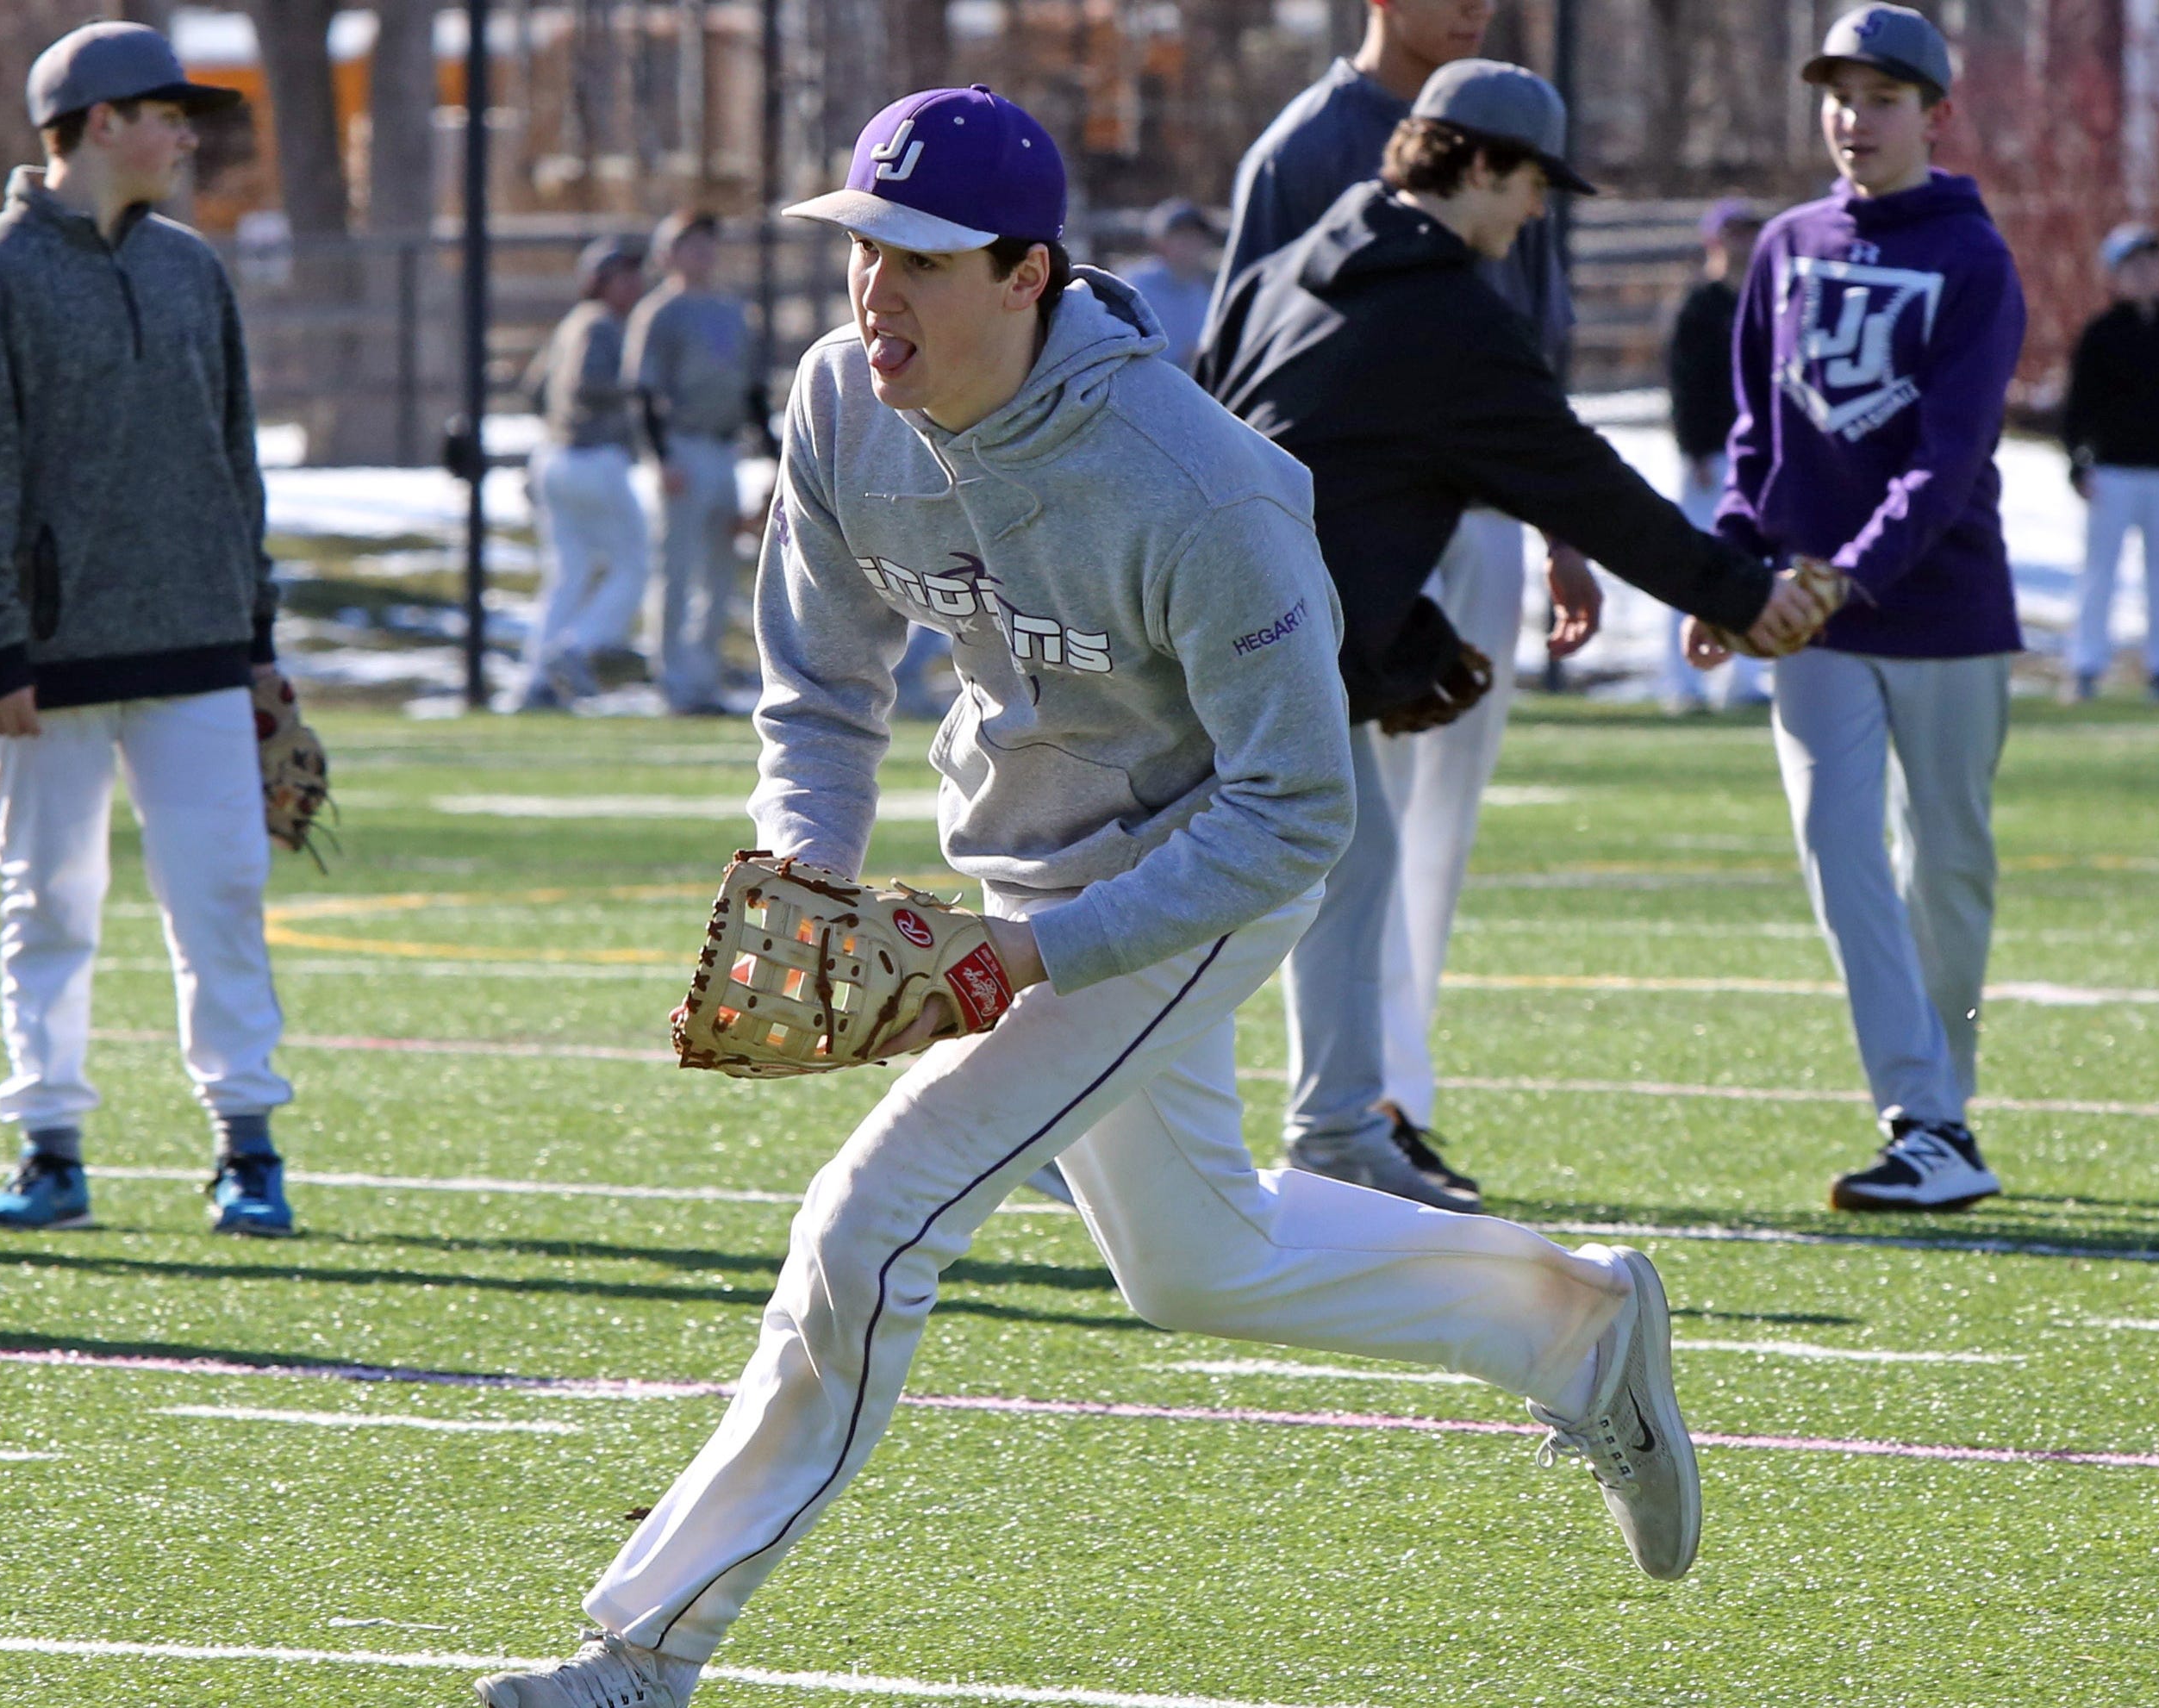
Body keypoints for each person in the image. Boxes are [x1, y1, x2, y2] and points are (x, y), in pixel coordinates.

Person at [474, 84, 1700, 1708]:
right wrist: (806, 867)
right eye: (861, 249)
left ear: (1025, 274)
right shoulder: (840, 402)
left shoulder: (1201, 485)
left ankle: (642, 1648)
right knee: (1198, 1261)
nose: (875, 291)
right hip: (1023, 865)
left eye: (920, 259)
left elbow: (1295, 813)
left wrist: (1031, 957)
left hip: (1195, 875)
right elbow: (821, 685)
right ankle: (1574, 1325)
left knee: (868, 1221)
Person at [1200, 63, 1825, 1211]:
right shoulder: (1447, 318)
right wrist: (1739, 593)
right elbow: (1584, 482)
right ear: (1478, 163)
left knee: (1348, 856)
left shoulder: (1296, 269)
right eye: (1533, 182)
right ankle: (1077, 1107)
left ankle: (1334, 1125)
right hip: (1257, 655)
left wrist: (1395, 629)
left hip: (1218, 634)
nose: (1539, 211)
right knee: (1218, 898)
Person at [0, 22, 298, 1237]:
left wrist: (257, 639)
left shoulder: (194, 269)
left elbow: (235, 459)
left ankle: (248, 1144)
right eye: (166, 113)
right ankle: (49, 1148)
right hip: (47, 663)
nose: (187, 134)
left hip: (195, 645)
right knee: (48, 906)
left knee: (223, 897)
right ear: (93, 126)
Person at [1209, 0, 1599, 1196]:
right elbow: (1240, 362)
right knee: (1334, 826)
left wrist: (1562, 531)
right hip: (1342, 537)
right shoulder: (1305, 144)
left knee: (1429, 836)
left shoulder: (1511, 129)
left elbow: (1535, 350)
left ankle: (1388, 1095)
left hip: (1477, 518)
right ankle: (1353, 1100)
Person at [1694, 4, 2027, 1212]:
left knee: (1949, 868)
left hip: (1939, 605)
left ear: (1935, 113)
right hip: (1806, 616)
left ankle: (1951, 1098)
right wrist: (1726, 571)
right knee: (1842, 853)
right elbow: (1753, 439)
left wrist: (1850, 568)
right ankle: (1924, 1116)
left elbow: (1947, 459)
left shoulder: (1974, 255)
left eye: (1882, 96)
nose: (1854, 116)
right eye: (1838, 92)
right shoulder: (1784, 244)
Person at [2061, 222, 2159, 702]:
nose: (2143, 275)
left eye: (2150, 265)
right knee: (2101, 569)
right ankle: (2086, 666)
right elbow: (2078, 405)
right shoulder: (2101, 334)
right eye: (2133, 267)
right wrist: (2078, 463)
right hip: (2113, 469)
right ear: (2115, 275)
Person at [514, 236, 652, 710]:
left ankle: (535, 678)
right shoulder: (603, 326)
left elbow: (533, 390)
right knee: (634, 563)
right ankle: (575, 650)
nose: (634, 284)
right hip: (595, 456)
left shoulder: (571, 324)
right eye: (623, 275)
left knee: (569, 572)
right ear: (599, 282)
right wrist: (639, 393)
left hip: (555, 457)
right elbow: (588, 384)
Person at [627, 212, 755, 715]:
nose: (702, 254)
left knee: (719, 571)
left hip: (724, 449)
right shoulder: (660, 312)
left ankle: (704, 679)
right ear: (667, 255)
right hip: (681, 446)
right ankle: (671, 678)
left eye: (707, 244)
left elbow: (750, 390)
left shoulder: (730, 311)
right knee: (676, 569)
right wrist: (659, 458)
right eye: (689, 245)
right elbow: (643, 392)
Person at [1660, 199, 1774, 713]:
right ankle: (1683, 684)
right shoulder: (1699, 306)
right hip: (1711, 455)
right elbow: (1684, 386)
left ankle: (1742, 679)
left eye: (1751, 233)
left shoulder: (1767, 303)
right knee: (1693, 564)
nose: (1744, 243)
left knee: (1749, 565)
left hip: (1758, 458)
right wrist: (1694, 448)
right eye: (1734, 233)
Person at [1117, 197, 1216, 371]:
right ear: (1159, 242)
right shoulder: (1135, 288)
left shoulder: (1204, 291)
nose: (1191, 245)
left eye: (1196, 237)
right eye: (1182, 237)